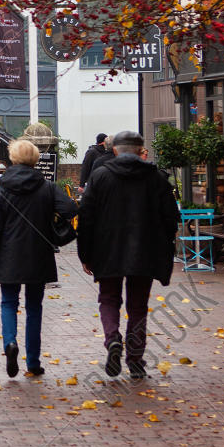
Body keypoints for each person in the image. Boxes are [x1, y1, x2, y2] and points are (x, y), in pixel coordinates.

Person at [76, 129, 180, 378]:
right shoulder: (156, 178)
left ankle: (113, 339)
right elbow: (171, 219)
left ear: (115, 150)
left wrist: (85, 253)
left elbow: (87, 217)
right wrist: (164, 248)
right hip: (145, 251)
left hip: (107, 249)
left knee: (109, 298)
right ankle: (135, 359)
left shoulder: (100, 177)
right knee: (138, 306)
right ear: (141, 150)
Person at [0, 139, 78, 378]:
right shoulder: (47, 187)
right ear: (35, 160)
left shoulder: (2, 190)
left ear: (13, 159)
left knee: (9, 303)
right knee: (35, 307)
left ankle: (10, 343)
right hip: (39, 254)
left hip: (10, 255)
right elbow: (71, 210)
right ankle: (33, 362)